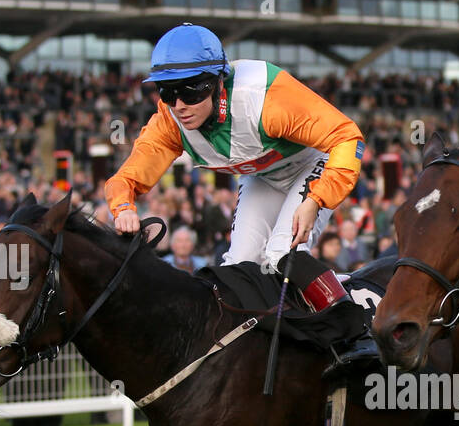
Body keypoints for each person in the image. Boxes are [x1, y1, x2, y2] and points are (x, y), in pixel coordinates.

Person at [105, 23, 366, 309]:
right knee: (240, 268)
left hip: (313, 163)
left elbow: (348, 138)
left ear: (219, 81)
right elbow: (125, 179)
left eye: (191, 91)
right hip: (263, 176)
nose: (179, 105)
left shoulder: (266, 98)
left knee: (281, 254)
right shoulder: (169, 122)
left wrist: (317, 199)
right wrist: (123, 207)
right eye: (167, 92)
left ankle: (352, 325)